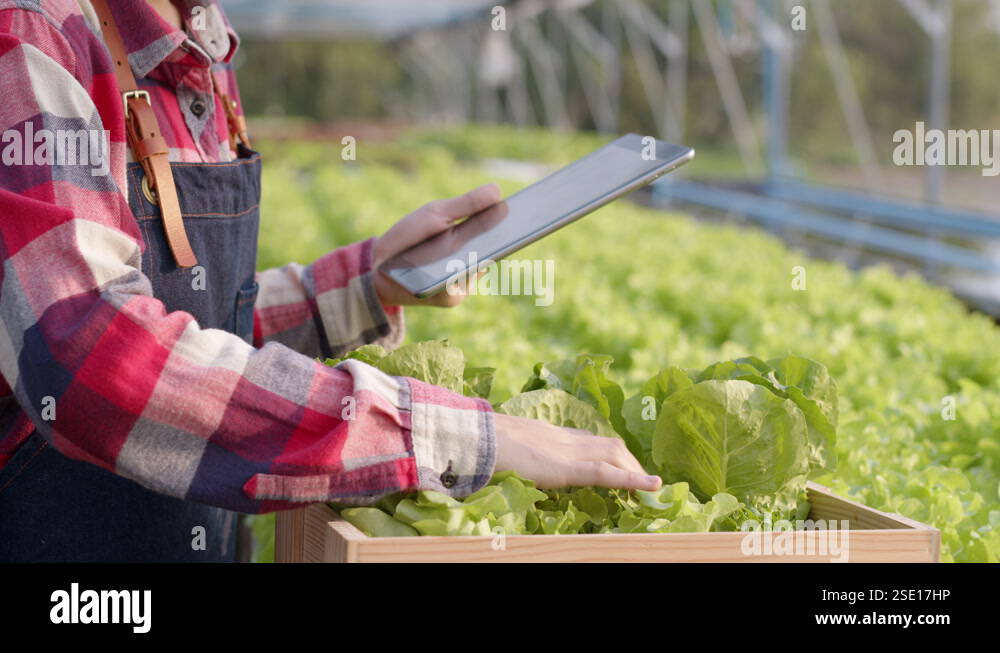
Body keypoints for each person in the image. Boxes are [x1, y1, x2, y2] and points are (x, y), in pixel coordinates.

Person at [0, 0, 660, 562]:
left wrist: (365, 286)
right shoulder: (37, 33)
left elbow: (192, 324)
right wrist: (441, 434)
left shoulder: (200, 38)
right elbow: (85, 353)